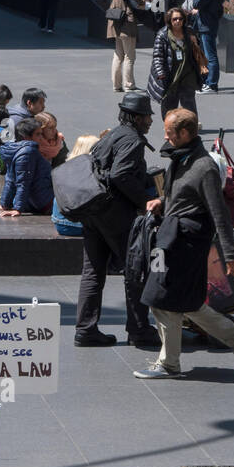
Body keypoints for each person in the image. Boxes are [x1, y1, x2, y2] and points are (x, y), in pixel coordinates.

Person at [136, 108, 234, 379]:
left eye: (169, 131)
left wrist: (231, 257)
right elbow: (179, 195)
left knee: (160, 296)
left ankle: (169, 364)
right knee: (185, 301)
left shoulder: (204, 167)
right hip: (171, 238)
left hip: (187, 245)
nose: (164, 135)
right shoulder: (179, 157)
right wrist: (162, 203)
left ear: (185, 133)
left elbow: (219, 212)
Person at [73, 93, 158, 349]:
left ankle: (85, 329)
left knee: (92, 271)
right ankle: (139, 329)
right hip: (114, 215)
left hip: (93, 210)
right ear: (135, 117)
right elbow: (121, 174)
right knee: (135, 268)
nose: (150, 120)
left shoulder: (113, 135)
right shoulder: (132, 140)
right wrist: (145, 201)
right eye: (146, 116)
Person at [148, 7, 206, 121]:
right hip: (170, 75)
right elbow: (157, 56)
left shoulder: (188, 32)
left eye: (180, 19)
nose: (178, 21)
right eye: (174, 19)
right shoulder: (162, 35)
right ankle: (169, 127)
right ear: (169, 20)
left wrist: (195, 41)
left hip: (187, 74)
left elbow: (195, 51)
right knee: (169, 105)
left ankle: (191, 126)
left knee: (189, 104)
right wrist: (161, 73)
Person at [0, 117, 54, 216]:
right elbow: (23, 182)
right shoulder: (28, 152)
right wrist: (18, 209)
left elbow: (10, 179)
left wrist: (4, 204)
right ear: (26, 137)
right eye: (38, 134)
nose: (41, 138)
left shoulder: (14, 150)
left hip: (32, 201)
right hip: (44, 202)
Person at [107, 0, 145, 92]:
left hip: (117, 26)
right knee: (130, 56)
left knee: (118, 55)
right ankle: (129, 85)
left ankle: (116, 85)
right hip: (126, 26)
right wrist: (141, 0)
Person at [191, 0, 225, 93]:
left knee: (210, 56)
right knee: (207, 55)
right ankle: (208, 83)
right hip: (208, 24)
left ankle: (212, 84)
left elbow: (196, 4)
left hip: (207, 25)